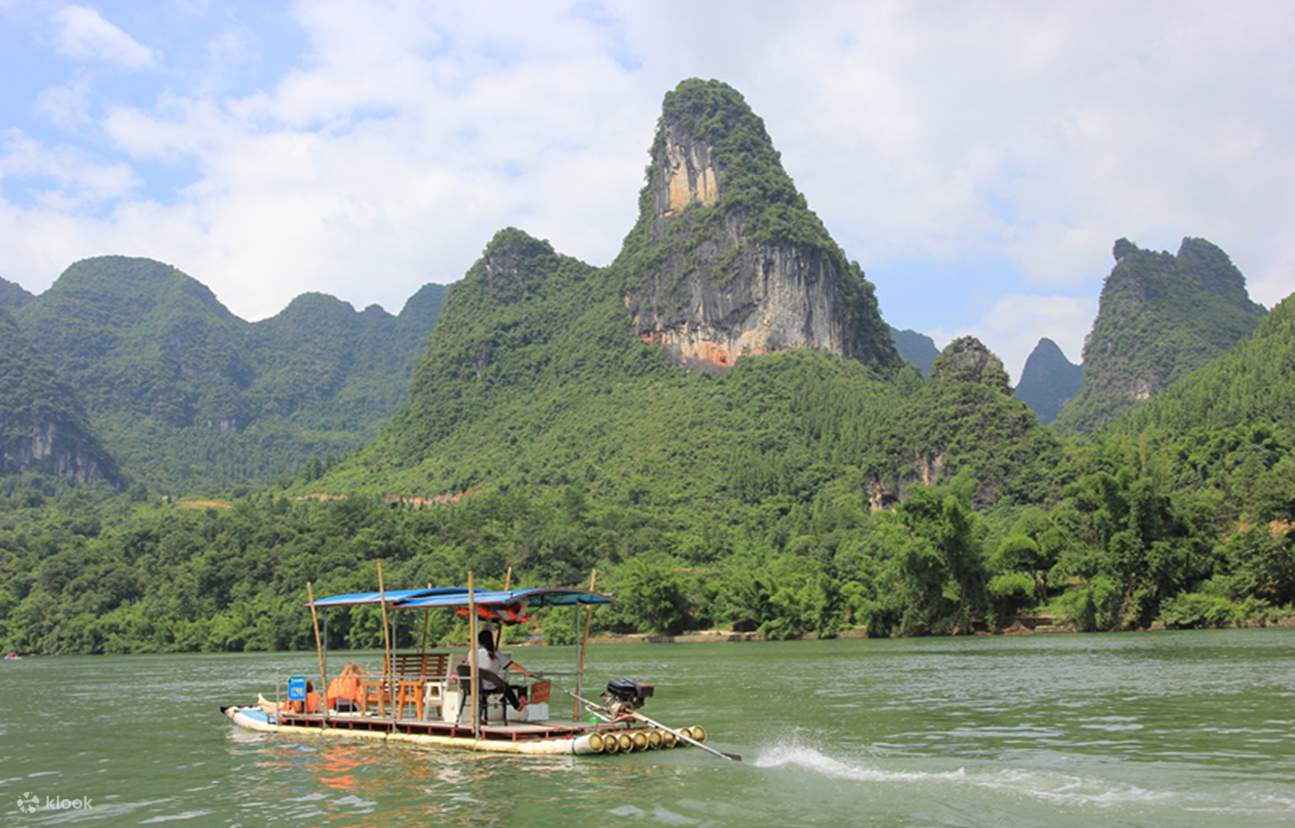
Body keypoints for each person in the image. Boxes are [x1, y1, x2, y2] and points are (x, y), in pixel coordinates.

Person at [476, 628, 529, 711]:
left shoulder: (472, 653)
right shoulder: (496, 654)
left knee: (501, 684)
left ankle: (483, 714)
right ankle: (517, 706)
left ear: (479, 641)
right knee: (517, 687)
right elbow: (513, 665)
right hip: (490, 686)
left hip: (476, 685)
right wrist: (526, 672)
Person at [256, 680, 323, 717]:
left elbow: (294, 710)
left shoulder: (299, 696)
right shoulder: (316, 696)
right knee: (281, 705)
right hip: (304, 711)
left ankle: (262, 705)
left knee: (274, 709)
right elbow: (320, 709)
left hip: (293, 711)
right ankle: (264, 702)